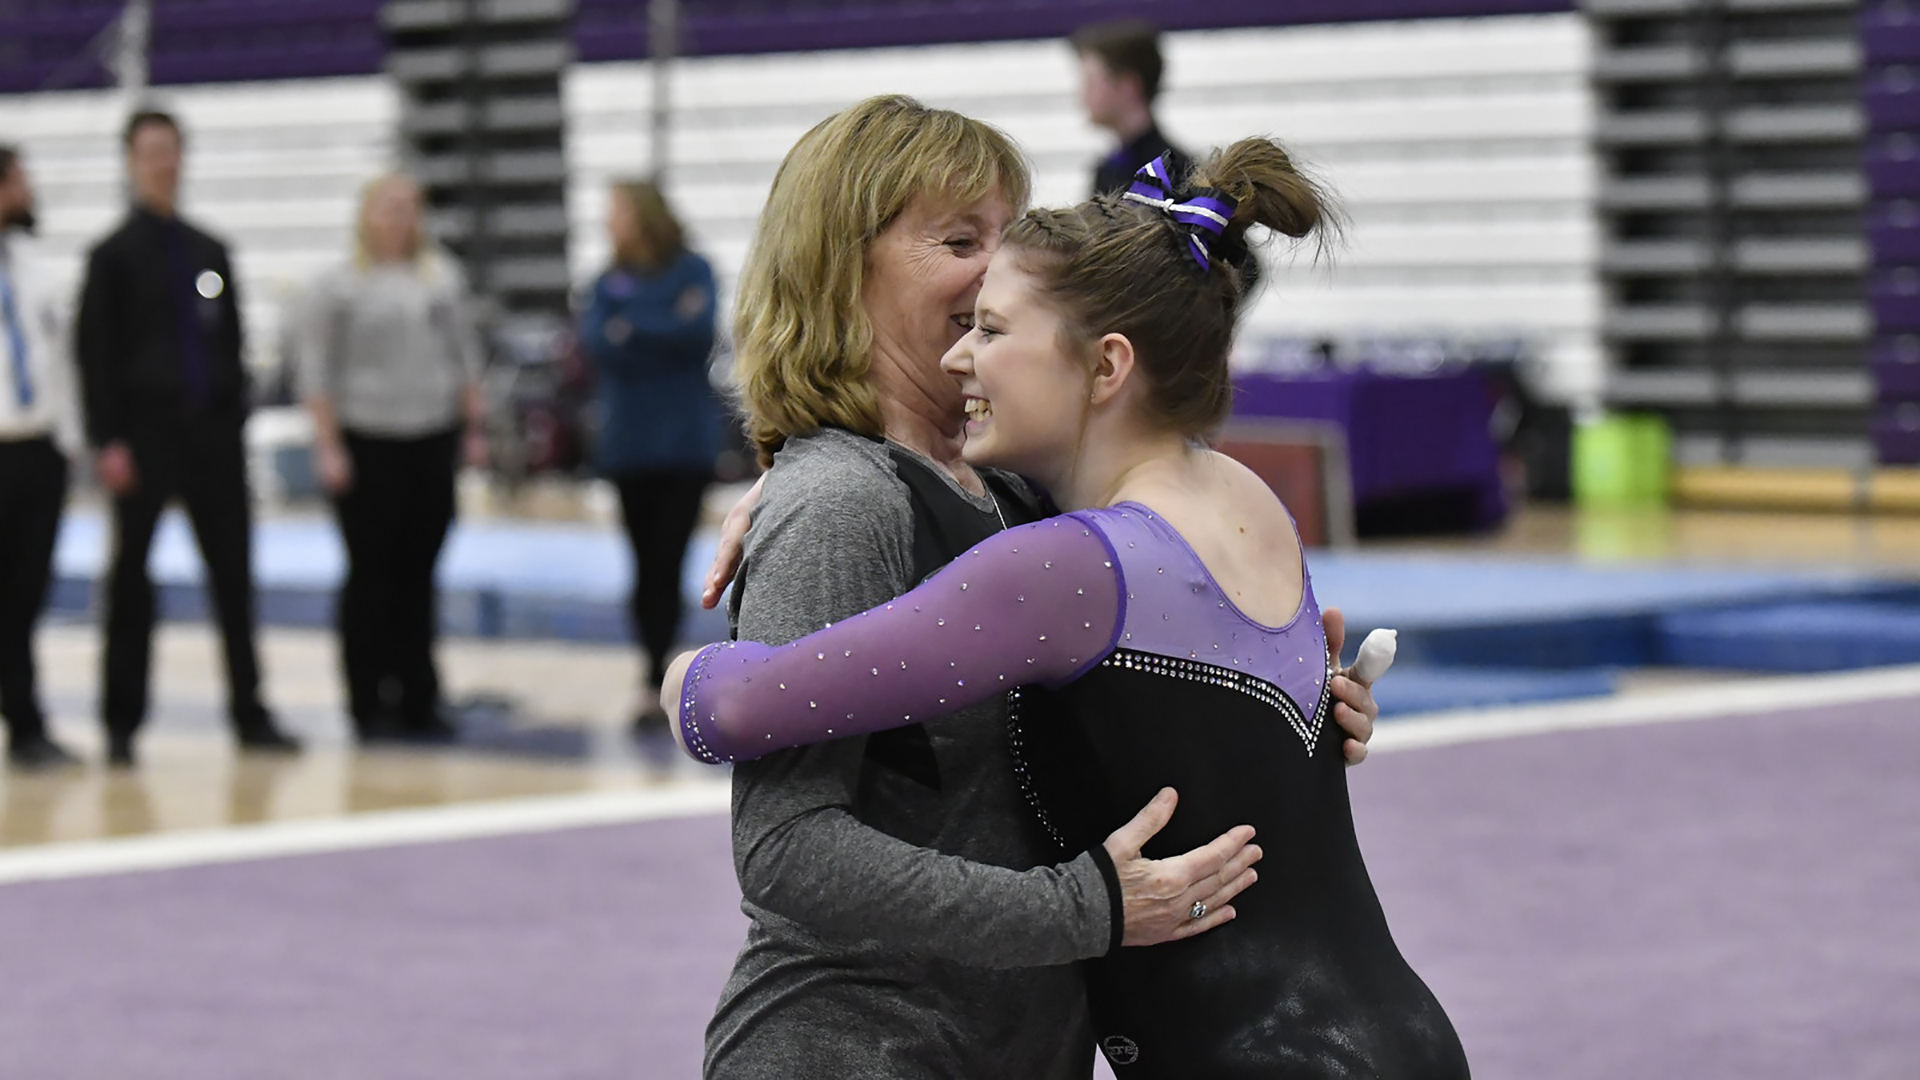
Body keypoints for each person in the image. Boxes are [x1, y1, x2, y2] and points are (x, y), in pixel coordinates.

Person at [669, 141, 1465, 1077]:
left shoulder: (1061, 558)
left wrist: (682, 674)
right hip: (1393, 1037)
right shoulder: (1247, 501)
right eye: (960, 240)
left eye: (998, 327)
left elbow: (734, 707)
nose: (969, 342)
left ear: (1105, 366)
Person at [74, 108, 300, 768]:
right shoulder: (110, 258)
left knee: (233, 576)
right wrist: (107, 439)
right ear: (130, 161)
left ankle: (249, 710)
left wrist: (232, 415)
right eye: (150, 152)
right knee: (131, 581)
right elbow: (95, 354)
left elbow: (229, 339)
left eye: (171, 150)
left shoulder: (210, 252)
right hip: (144, 438)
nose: (162, 163)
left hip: (212, 438)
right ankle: (121, 722)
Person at [296, 172, 488, 743]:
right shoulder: (338, 285)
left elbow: (465, 360)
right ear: (366, 214)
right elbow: (316, 371)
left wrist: (472, 429)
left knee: (419, 573)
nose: (400, 218)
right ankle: (366, 698)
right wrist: (328, 444)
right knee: (370, 575)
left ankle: (418, 694)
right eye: (389, 207)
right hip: (366, 440)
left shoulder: (441, 279)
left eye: (410, 207)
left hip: (429, 437)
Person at [577, 179, 721, 736]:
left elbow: (696, 333)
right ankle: (649, 670)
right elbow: (598, 344)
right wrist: (660, 321)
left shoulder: (693, 271)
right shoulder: (605, 280)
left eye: (616, 210)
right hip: (630, 444)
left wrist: (633, 323)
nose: (608, 221)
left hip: (683, 444)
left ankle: (667, 664)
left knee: (672, 557)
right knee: (642, 564)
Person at [0, 144, 83, 771]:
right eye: (18, 180)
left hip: (38, 450)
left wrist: (70, 441)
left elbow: (62, 359)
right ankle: (23, 719)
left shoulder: (36, 266)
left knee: (26, 593)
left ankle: (25, 721)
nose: (27, 190)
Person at [1072, 20, 1193, 199]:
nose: (1082, 96)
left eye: (1091, 82)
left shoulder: (1176, 174)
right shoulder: (1108, 170)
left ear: (1129, 86)